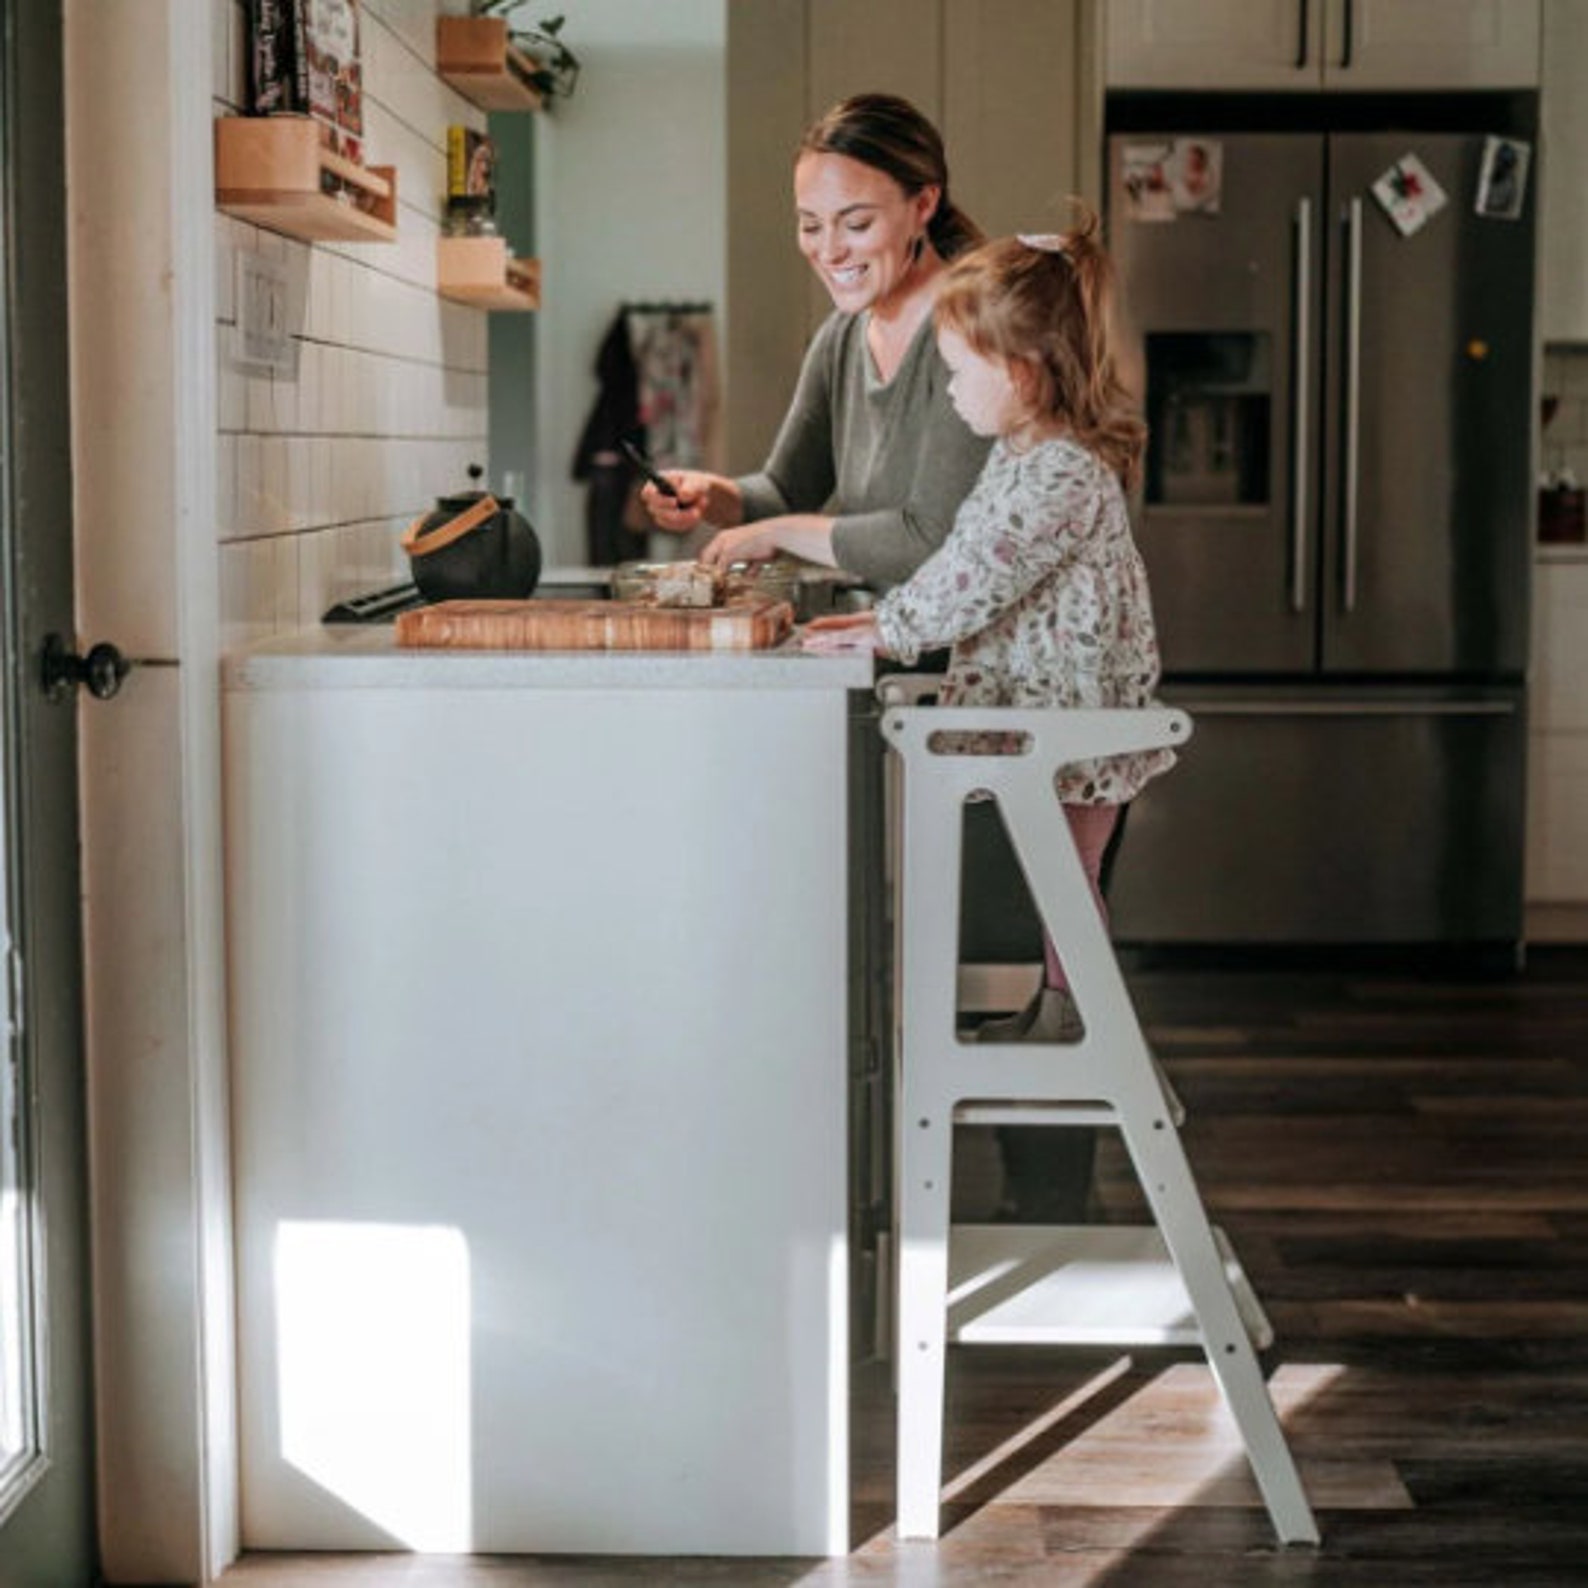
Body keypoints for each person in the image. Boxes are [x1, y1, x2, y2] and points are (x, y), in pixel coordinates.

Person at [803, 210, 1175, 1219]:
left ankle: (1074, 1013)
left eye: (961, 374)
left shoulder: (1055, 470)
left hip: (1070, 728)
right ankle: (1066, 1006)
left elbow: (972, 577)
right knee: (1069, 877)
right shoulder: (1025, 458)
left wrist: (885, 628)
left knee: (1071, 879)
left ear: (1019, 373)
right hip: (1047, 723)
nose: (952, 392)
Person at [639, 93, 992, 589]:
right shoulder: (841, 338)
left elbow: (930, 540)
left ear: (924, 205)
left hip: (973, 661)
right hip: (879, 647)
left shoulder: (978, 333)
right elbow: (785, 492)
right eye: (810, 225)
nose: (829, 250)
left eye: (857, 223)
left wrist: (779, 533)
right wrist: (707, 494)